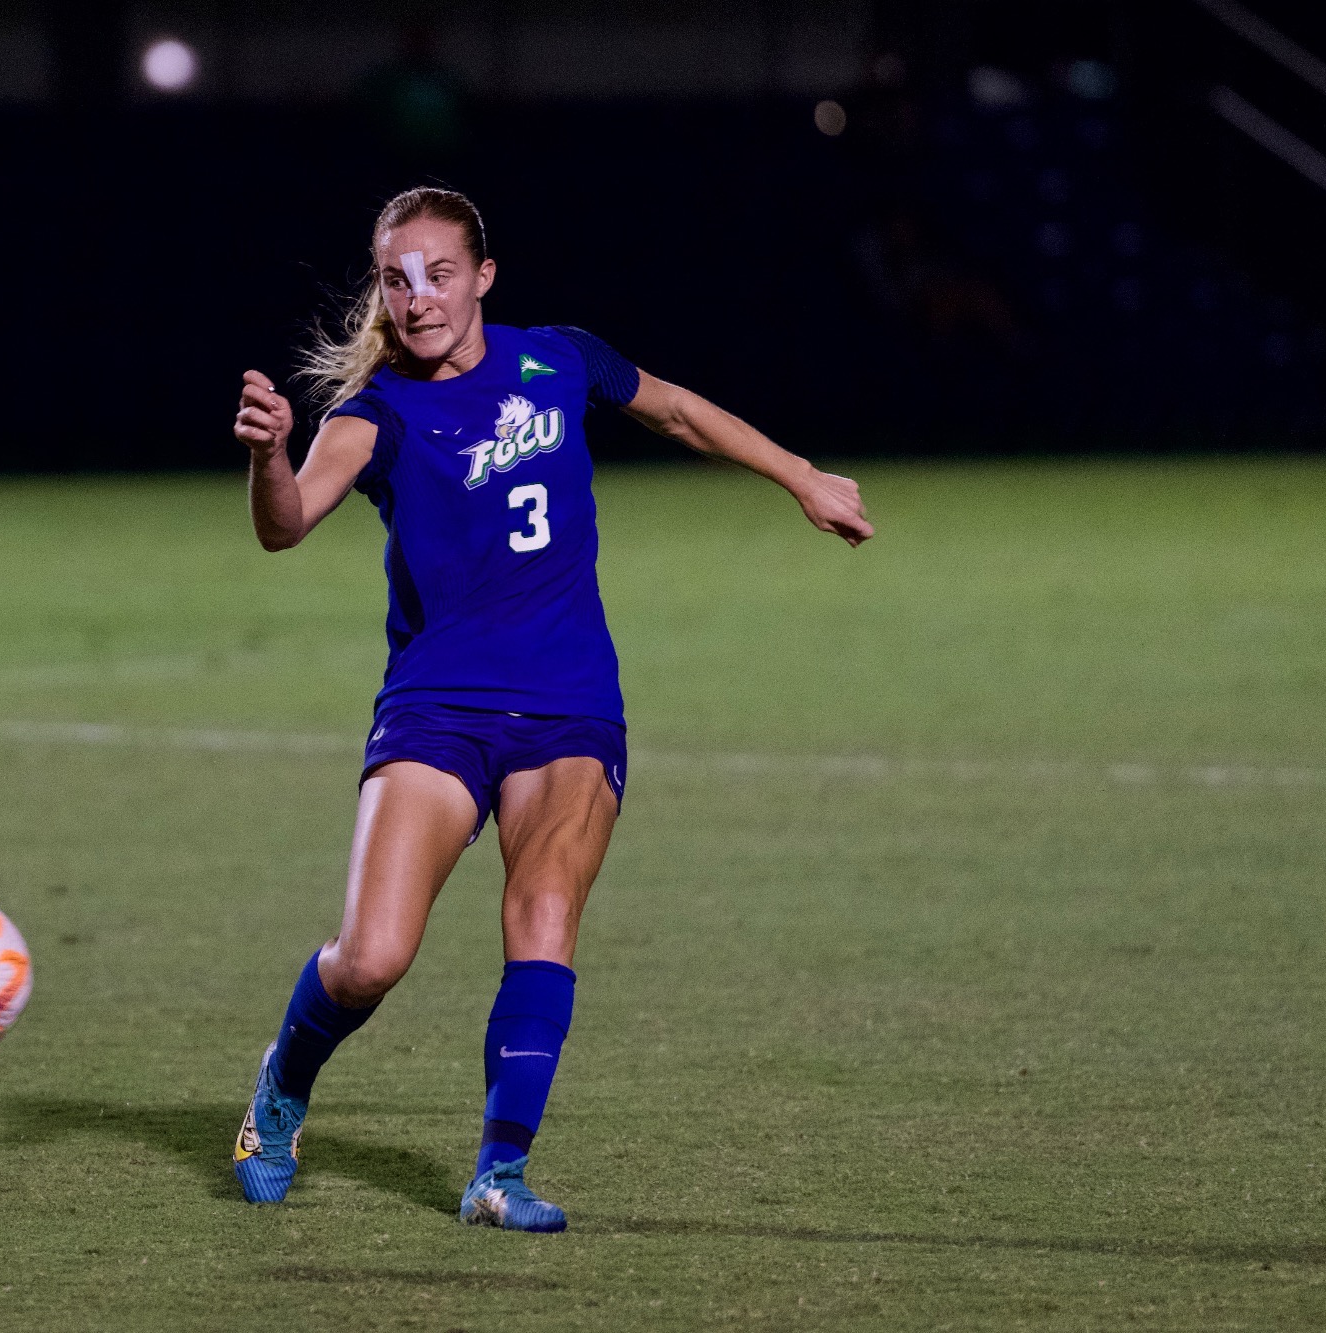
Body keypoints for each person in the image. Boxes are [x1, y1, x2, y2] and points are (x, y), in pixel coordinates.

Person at [229, 187, 874, 1231]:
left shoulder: (557, 358)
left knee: (541, 917)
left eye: (439, 272)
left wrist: (798, 476)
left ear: (484, 274)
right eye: (397, 279)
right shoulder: (375, 414)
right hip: (436, 707)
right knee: (373, 956)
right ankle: (281, 1085)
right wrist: (266, 456)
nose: (418, 297)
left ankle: (497, 1171)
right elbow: (286, 523)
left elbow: (671, 407)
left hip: (569, 700)